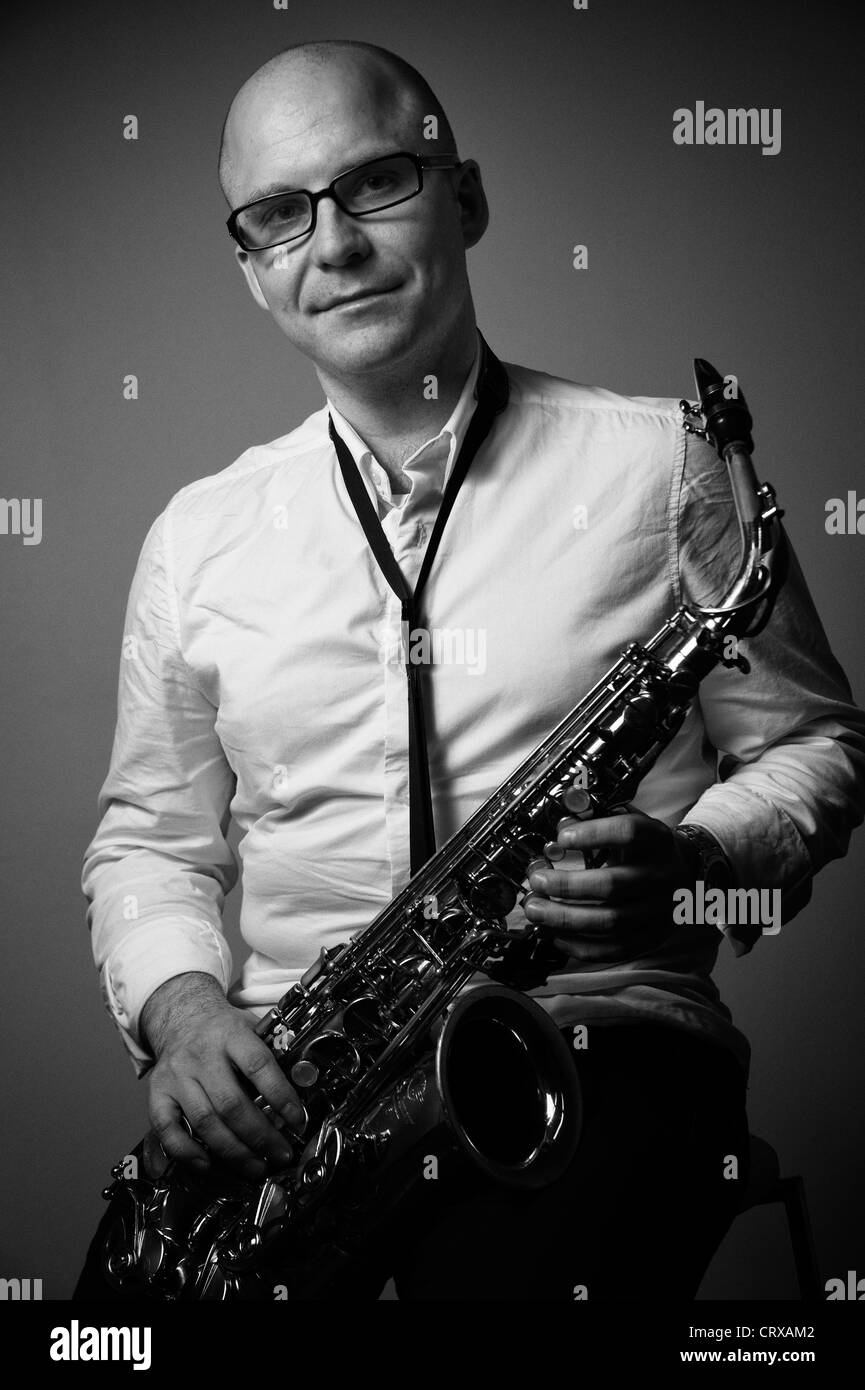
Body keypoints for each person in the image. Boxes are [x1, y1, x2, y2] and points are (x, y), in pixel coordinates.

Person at [75, 39, 865, 1301]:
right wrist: (182, 1012)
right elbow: (151, 839)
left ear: (468, 198)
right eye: (280, 213)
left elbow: (814, 745)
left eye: (375, 184)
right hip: (299, 1076)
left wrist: (702, 868)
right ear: (250, 266)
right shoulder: (196, 537)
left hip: (600, 1036)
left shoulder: (661, 466)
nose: (330, 244)